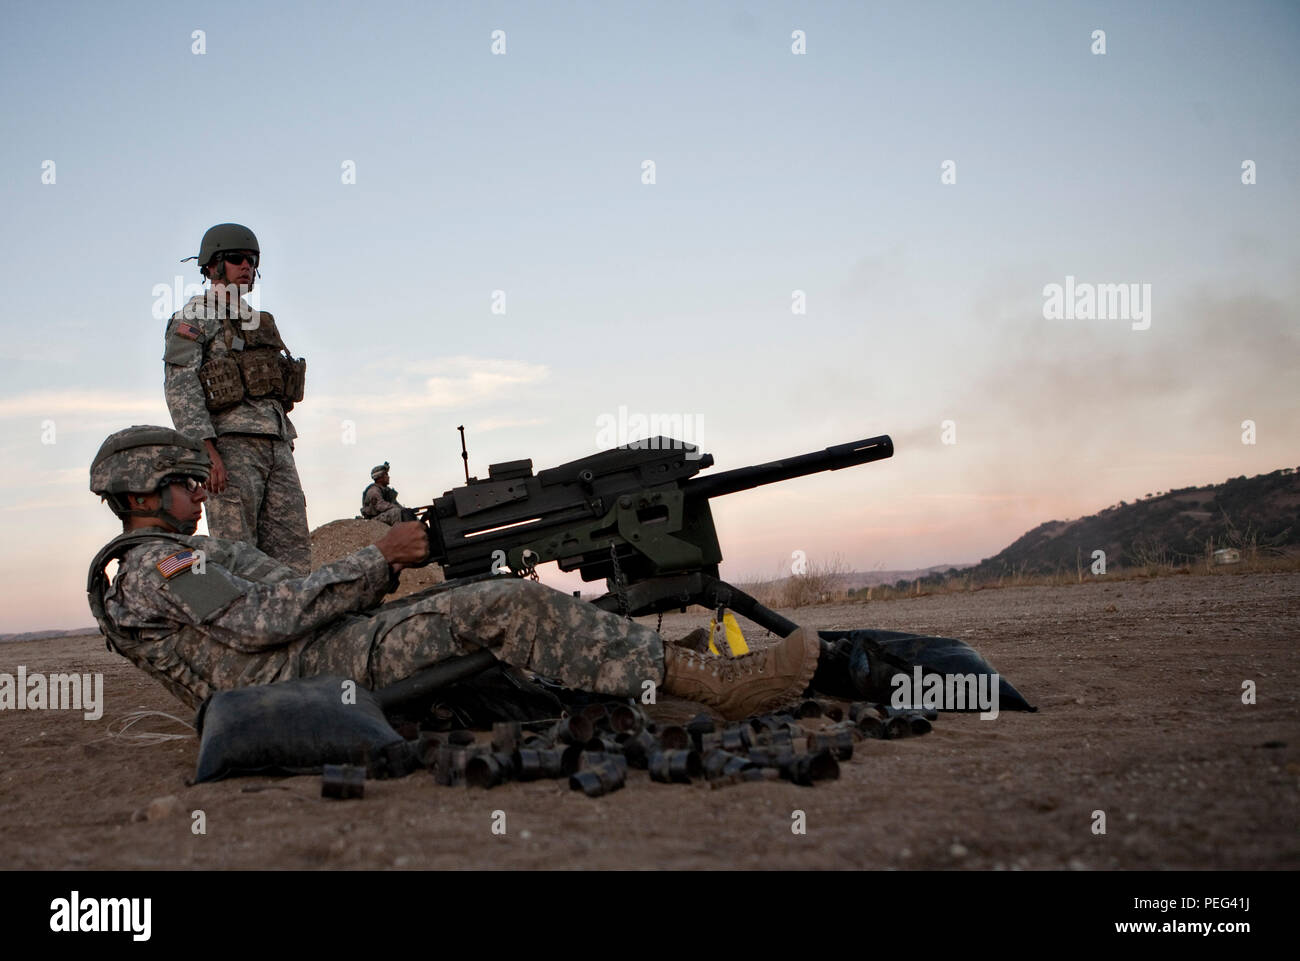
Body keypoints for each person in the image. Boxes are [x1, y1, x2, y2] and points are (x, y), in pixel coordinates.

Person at [87, 426, 821, 720]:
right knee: (504, 605)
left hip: (320, 652)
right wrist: (376, 558)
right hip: (312, 671)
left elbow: (271, 603)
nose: (200, 490)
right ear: (143, 494)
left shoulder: (170, 561)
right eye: (186, 482)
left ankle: (659, 670)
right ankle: (727, 686)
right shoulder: (162, 567)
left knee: (479, 592)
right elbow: (265, 620)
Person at [164, 223, 311, 574]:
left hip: (276, 443)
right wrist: (207, 452)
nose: (246, 266)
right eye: (236, 258)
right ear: (213, 266)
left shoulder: (258, 321)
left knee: (293, 551)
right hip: (230, 448)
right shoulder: (194, 315)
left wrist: (283, 439)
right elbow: (181, 388)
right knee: (239, 553)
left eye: (251, 259)